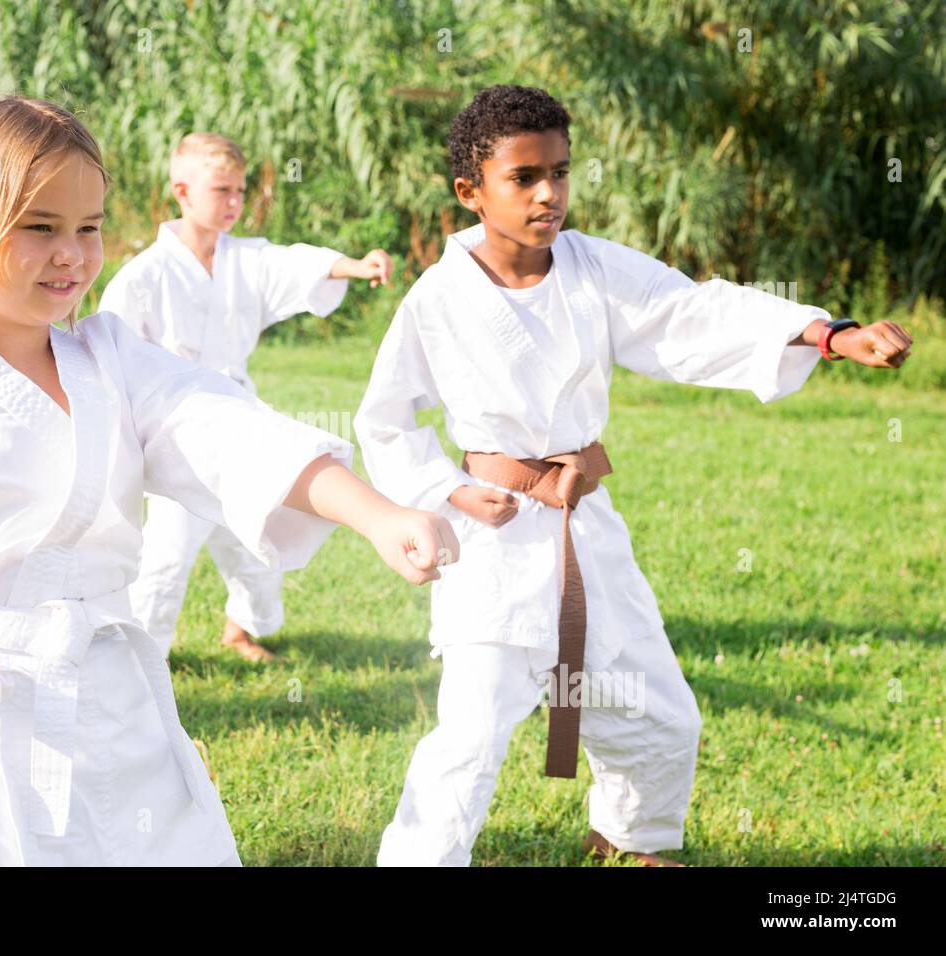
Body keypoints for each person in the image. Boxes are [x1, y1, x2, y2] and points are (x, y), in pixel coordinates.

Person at [0, 93, 458, 866]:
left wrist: (373, 513)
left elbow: (221, 427)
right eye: (40, 228)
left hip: (116, 701)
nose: (71, 252)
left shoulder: (110, 360)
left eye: (89, 227)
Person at [354, 84, 913, 867]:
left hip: (585, 525)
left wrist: (823, 334)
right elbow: (383, 418)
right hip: (496, 536)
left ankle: (632, 841)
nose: (549, 192)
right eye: (524, 177)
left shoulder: (592, 269)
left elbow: (693, 315)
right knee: (471, 739)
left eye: (561, 170)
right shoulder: (439, 298)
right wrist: (443, 488)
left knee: (660, 716)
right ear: (470, 192)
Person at [99, 132, 393, 661]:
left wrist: (354, 265)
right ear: (182, 191)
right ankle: (141, 661)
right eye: (221, 190)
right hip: (178, 434)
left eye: (239, 190)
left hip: (240, 418)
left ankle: (242, 629)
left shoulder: (246, 260)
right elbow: (115, 359)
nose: (234, 203)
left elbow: (293, 264)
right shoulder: (143, 276)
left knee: (256, 543)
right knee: (167, 557)